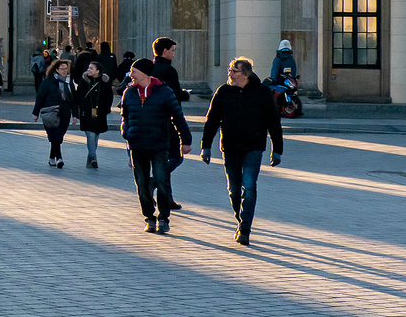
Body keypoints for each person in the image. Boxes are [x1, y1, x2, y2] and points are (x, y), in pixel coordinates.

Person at [202, 57, 284, 245]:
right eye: (230, 70)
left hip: (253, 147)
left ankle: (245, 227)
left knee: (249, 186)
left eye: (234, 70)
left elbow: (273, 122)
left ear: (245, 74)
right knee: (234, 190)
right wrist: (205, 146)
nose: (229, 73)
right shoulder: (223, 92)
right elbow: (212, 120)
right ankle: (241, 219)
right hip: (230, 147)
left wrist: (277, 149)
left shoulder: (262, 93)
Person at [120, 58, 191, 234]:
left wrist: (186, 140)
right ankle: (149, 218)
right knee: (142, 184)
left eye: (134, 71)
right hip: (137, 146)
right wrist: (126, 133)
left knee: (161, 181)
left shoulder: (164, 92)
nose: (131, 75)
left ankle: (163, 219)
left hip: (159, 145)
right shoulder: (129, 93)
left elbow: (177, 116)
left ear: (144, 73)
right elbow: (125, 117)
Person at [150, 36, 191, 208]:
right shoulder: (168, 70)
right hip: (168, 119)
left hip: (152, 118)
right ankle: (152, 182)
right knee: (176, 156)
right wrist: (185, 94)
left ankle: (167, 197)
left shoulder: (150, 68)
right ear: (165, 51)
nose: (173, 53)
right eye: (172, 50)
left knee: (163, 157)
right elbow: (173, 94)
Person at [32, 58, 75, 167]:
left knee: (59, 135)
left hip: (65, 111)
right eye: (62, 69)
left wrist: (75, 114)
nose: (65, 71)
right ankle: (59, 157)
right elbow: (40, 97)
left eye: (66, 69)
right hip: (51, 111)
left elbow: (73, 98)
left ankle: (52, 157)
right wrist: (36, 112)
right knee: (54, 135)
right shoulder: (48, 81)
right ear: (56, 70)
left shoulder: (69, 81)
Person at [76, 59, 114, 168]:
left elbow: (109, 98)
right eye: (88, 68)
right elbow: (79, 96)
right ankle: (93, 157)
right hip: (87, 113)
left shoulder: (105, 83)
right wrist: (81, 108)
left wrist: (106, 109)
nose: (88, 70)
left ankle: (90, 157)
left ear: (98, 71)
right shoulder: (84, 81)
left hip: (100, 113)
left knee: (96, 136)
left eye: (91, 68)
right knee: (91, 135)